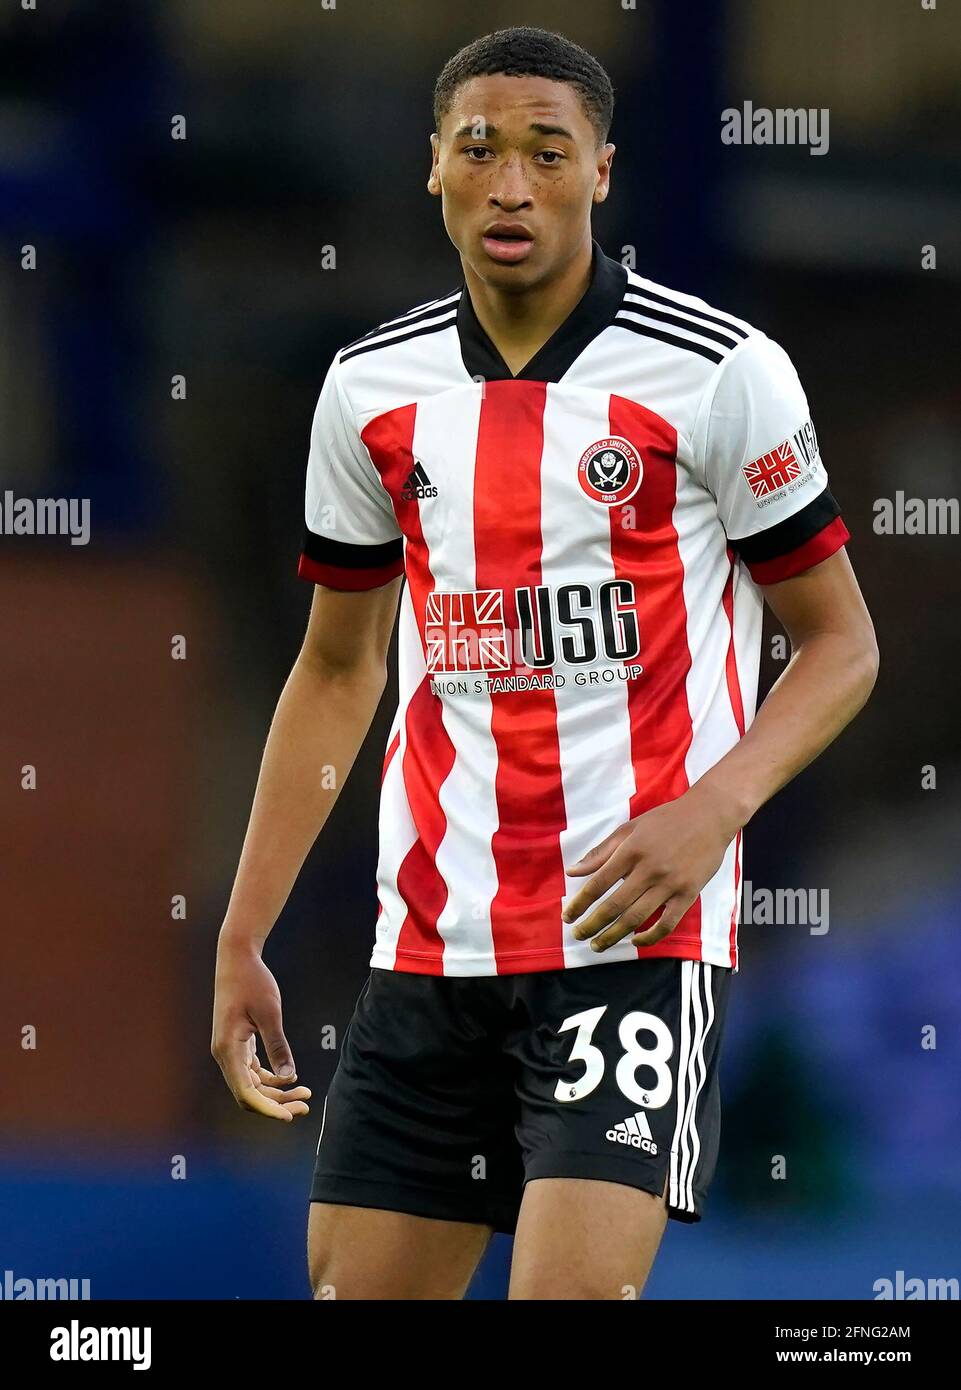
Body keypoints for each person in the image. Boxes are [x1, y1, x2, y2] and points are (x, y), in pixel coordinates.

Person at [212, 25, 878, 1300]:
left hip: (631, 938)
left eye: (545, 153)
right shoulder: (367, 390)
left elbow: (841, 643)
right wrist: (245, 931)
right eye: (480, 150)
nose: (510, 184)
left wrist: (712, 811)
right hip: (428, 944)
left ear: (600, 172)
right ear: (434, 170)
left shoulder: (719, 374)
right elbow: (336, 670)